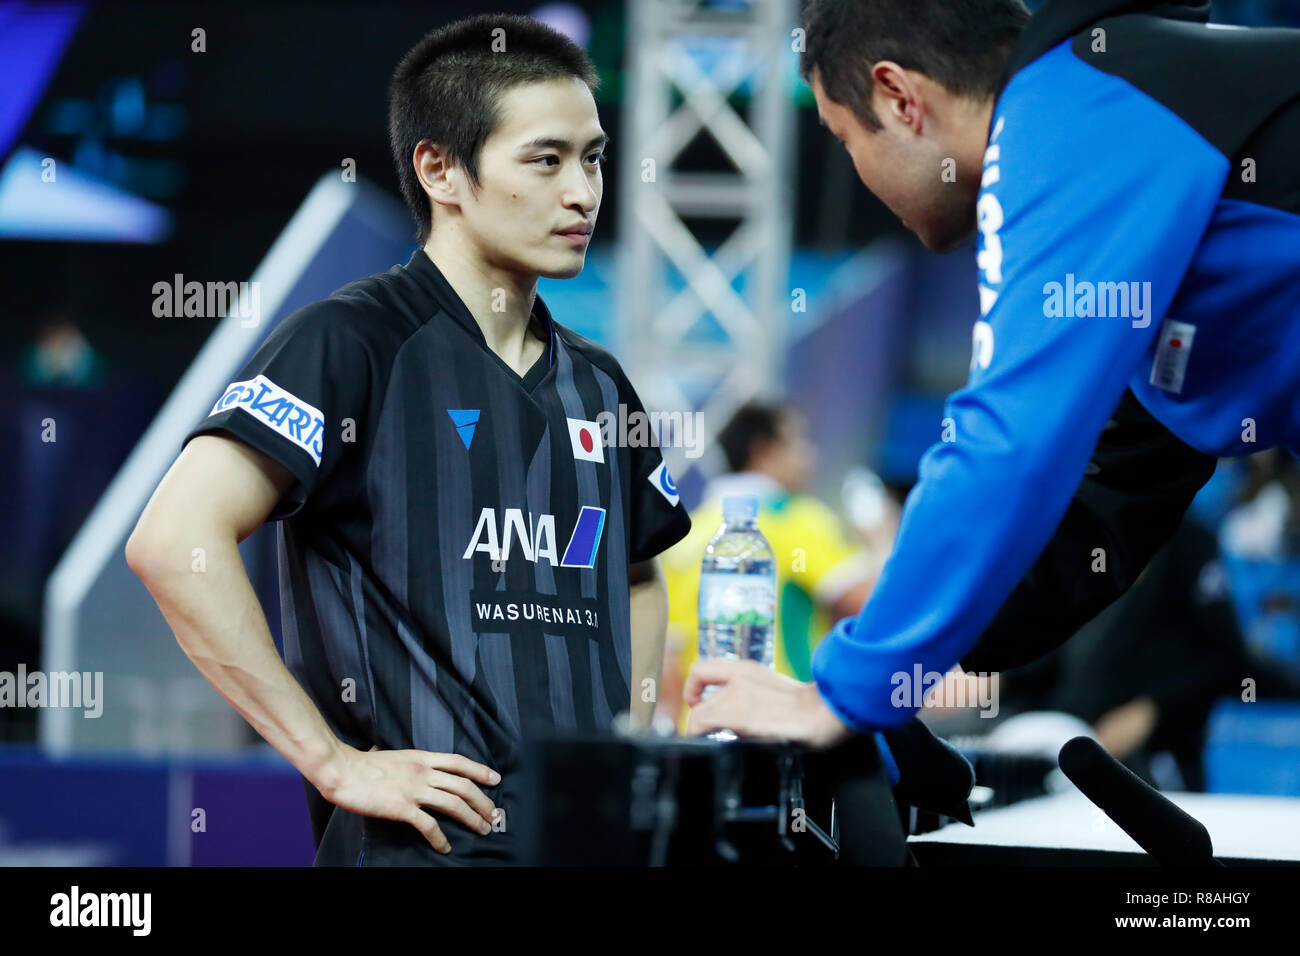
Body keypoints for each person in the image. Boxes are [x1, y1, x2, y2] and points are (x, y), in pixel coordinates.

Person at [127, 13, 691, 866]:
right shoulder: (347, 343)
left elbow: (641, 576)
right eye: (545, 159)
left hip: (589, 848)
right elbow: (173, 544)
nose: (582, 192)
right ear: (440, 171)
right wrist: (332, 762)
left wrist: (627, 745)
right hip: (421, 852)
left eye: (594, 158)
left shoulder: (602, 383)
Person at [686, 0, 1300, 745]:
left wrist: (842, 697)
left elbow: (1009, 442)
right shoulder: (1113, 156)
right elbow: (1110, 496)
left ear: (900, 99)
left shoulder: (1067, 116)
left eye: (845, 139)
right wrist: (902, 679)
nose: (854, 167)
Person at [657, 402, 884, 731]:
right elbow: (871, 604)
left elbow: (668, 661)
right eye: (800, 443)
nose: (811, 456)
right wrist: (879, 537)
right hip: (778, 722)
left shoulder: (686, 532)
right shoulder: (794, 518)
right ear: (764, 451)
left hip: (699, 728)